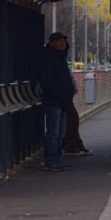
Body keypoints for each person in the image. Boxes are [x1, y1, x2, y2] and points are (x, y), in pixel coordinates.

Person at [39, 32, 75, 171]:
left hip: (63, 101)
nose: (63, 44)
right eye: (60, 41)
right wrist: (59, 94)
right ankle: (51, 160)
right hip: (54, 101)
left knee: (61, 132)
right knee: (53, 133)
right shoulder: (48, 58)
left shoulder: (60, 58)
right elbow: (47, 81)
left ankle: (57, 159)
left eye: (64, 42)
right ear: (52, 43)